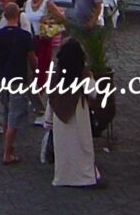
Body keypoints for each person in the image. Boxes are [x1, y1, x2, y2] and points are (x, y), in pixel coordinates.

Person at [0, 2, 36, 165]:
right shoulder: (25, 36)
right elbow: (32, 59)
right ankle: (7, 152)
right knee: (16, 114)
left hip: (2, 79)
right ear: (19, 17)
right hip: (18, 79)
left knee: (6, 112)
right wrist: (35, 72)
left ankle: (9, 146)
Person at [47, 37, 101, 188]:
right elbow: (93, 93)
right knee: (81, 147)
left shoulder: (56, 74)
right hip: (79, 113)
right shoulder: (83, 73)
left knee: (63, 148)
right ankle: (84, 178)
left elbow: (50, 96)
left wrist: (48, 118)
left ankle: (63, 178)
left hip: (60, 117)